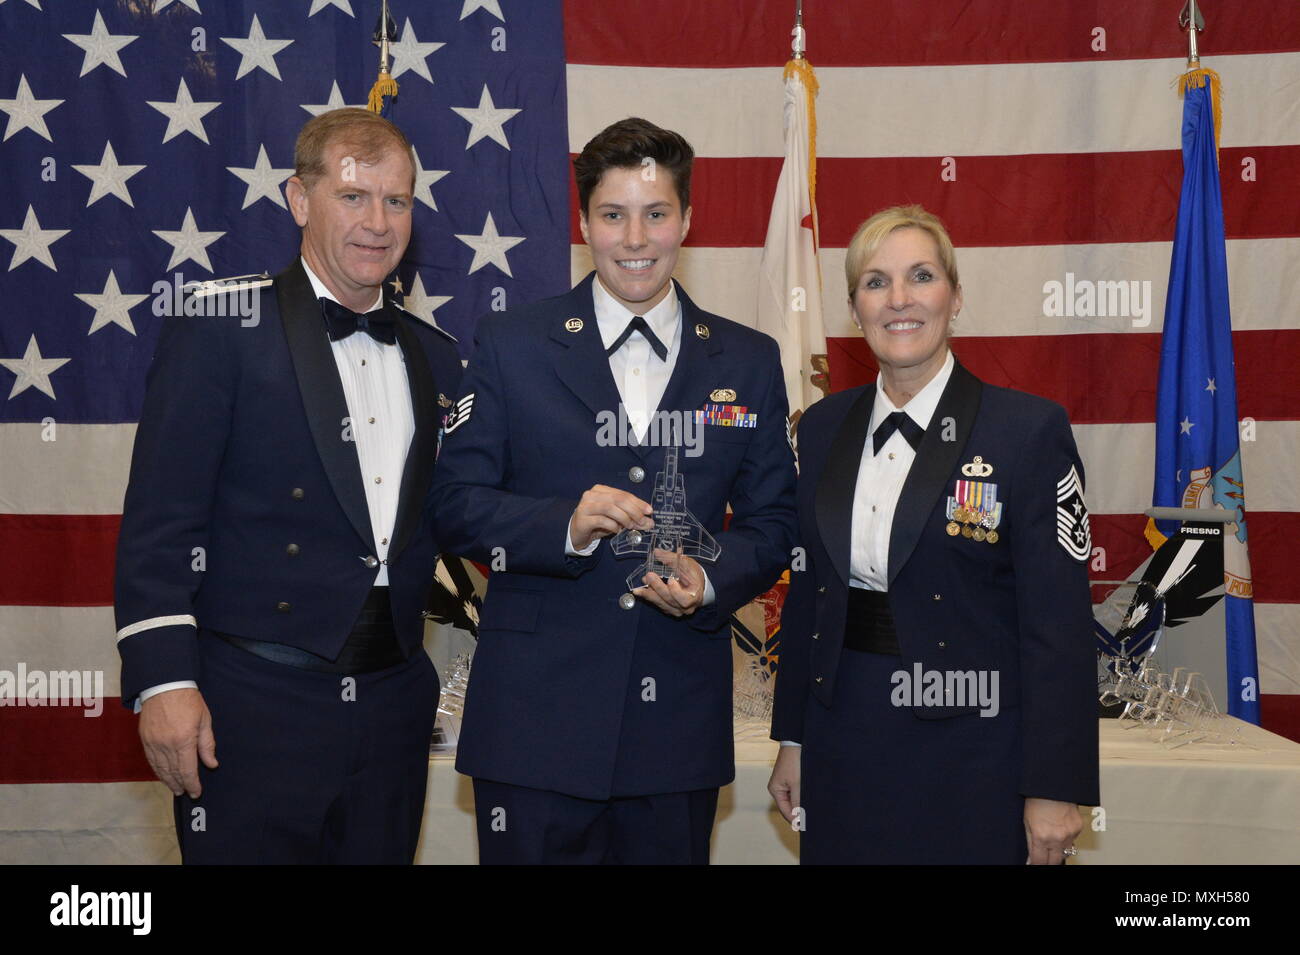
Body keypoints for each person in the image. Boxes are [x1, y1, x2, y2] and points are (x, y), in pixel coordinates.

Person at [428, 117, 798, 864]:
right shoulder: (511, 345)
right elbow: (453, 501)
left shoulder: (749, 359)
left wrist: (711, 577)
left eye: (656, 214)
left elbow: (776, 519)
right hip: (532, 730)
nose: (635, 238)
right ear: (584, 222)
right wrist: (562, 524)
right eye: (613, 214)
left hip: (675, 737)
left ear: (687, 221)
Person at [114, 108, 463, 864]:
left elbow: (467, 516)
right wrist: (163, 682)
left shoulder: (439, 356)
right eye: (352, 196)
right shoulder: (220, 326)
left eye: (396, 201)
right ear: (299, 201)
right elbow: (160, 525)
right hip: (250, 707)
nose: (377, 222)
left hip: (395, 706)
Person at [767, 205, 1099, 864]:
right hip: (842, 739)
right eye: (875, 281)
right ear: (855, 308)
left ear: (954, 295)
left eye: (921, 276)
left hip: (975, 749)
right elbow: (810, 591)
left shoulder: (1026, 432)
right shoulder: (824, 426)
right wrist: (795, 738)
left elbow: (1058, 627)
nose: (900, 299)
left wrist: (1056, 786)